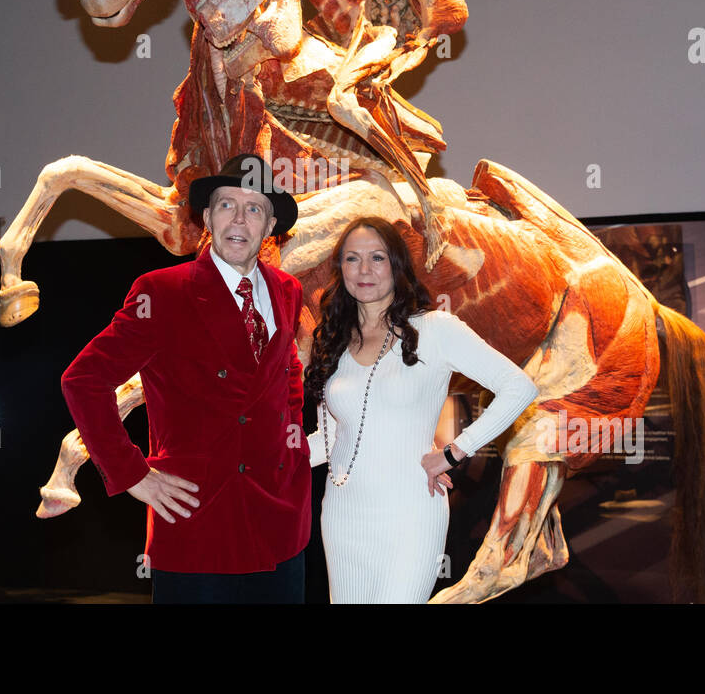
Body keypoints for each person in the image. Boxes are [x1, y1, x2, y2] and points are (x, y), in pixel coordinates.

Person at [60, 153, 310, 603]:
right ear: (208, 217)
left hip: (280, 522)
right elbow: (84, 379)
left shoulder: (286, 291)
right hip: (198, 520)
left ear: (270, 226)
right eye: (226, 205)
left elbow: (286, 374)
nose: (239, 218)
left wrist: (294, 447)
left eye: (254, 208)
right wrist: (131, 473)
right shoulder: (162, 292)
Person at [305, 217, 539, 603]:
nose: (364, 270)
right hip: (343, 515)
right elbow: (330, 442)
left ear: (396, 266)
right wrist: (268, 458)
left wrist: (453, 452)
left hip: (411, 513)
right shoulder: (332, 343)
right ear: (340, 269)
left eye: (377, 257)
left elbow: (519, 387)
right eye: (352, 259)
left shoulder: (435, 330)